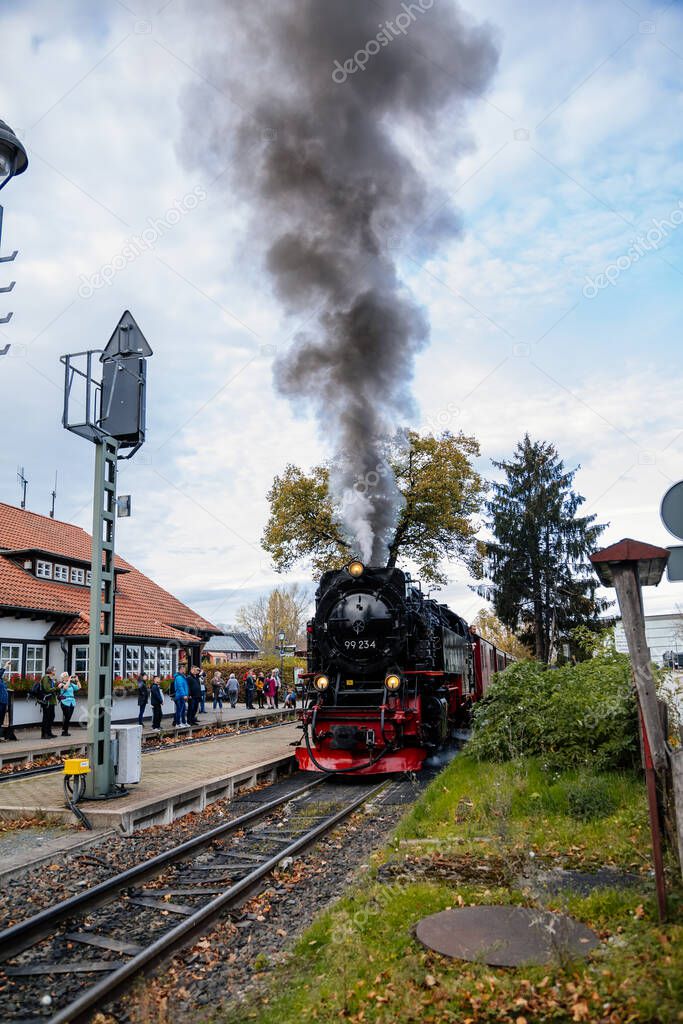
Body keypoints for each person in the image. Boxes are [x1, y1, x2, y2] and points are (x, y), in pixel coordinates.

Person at [57, 672, 80, 737]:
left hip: (72, 702)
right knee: (67, 716)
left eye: (67, 675)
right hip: (65, 702)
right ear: (62, 678)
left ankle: (65, 731)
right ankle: (64, 731)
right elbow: (65, 688)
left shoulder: (71, 684)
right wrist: (69, 680)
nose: (67, 677)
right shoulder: (60, 684)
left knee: (68, 717)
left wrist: (77, 680)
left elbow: (79, 687)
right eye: (65, 676)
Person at [39, 667, 58, 738]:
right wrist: (57, 688)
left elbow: (51, 688)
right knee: (46, 717)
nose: (55, 671)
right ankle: (44, 734)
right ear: (51, 671)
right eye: (54, 670)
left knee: (51, 716)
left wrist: (56, 687)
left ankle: (49, 732)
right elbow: (47, 689)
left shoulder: (51, 679)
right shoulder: (46, 678)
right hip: (47, 701)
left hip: (51, 701)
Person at [0, 660, 11, 741]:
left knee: (1, 720)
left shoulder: (1, 680)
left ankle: (0, 736)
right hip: (0, 702)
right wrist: (5, 666)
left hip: (4, 702)